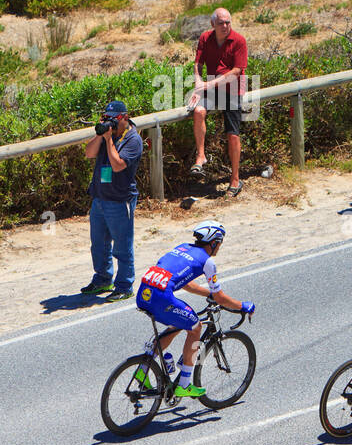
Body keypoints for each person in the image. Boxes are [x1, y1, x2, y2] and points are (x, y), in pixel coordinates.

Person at [134, 221, 255, 398]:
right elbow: (221, 298)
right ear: (213, 243)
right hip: (162, 297)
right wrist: (243, 305)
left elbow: (187, 283)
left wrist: (209, 294)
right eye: (219, 243)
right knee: (196, 327)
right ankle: (184, 384)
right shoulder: (208, 262)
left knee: (178, 324)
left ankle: (143, 368)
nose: (219, 247)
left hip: (144, 294)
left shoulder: (182, 248)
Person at [81, 100, 144, 302]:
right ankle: (102, 279)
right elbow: (89, 153)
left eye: (114, 119)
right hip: (99, 198)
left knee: (122, 247)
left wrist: (109, 141)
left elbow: (117, 166)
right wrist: (101, 135)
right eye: (106, 119)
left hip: (119, 200)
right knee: (98, 244)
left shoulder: (133, 140)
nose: (111, 123)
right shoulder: (106, 135)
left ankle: (124, 285)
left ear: (125, 117)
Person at [187, 8, 248, 195]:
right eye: (221, 22)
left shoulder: (239, 41)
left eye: (228, 22)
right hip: (211, 89)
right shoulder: (205, 38)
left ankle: (235, 179)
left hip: (232, 90)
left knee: (233, 135)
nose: (225, 26)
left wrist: (208, 84)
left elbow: (237, 71)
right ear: (213, 24)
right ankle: (201, 156)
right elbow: (198, 63)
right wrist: (198, 82)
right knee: (198, 112)